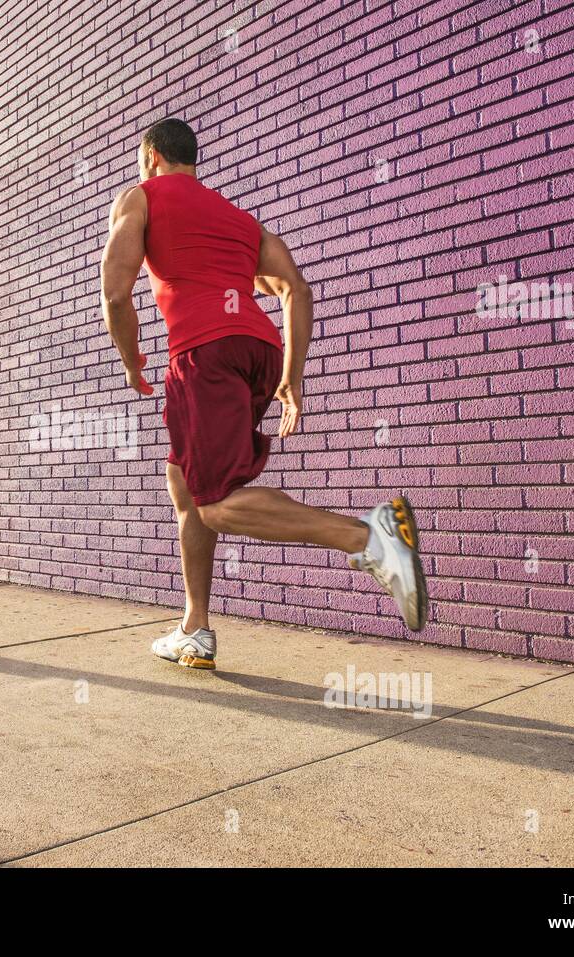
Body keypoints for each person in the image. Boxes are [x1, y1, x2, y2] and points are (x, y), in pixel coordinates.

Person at [100, 118, 427, 670]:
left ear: (151, 155)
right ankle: (194, 628)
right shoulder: (237, 218)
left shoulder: (140, 197)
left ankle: (368, 537)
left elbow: (115, 287)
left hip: (204, 353)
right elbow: (296, 288)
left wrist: (132, 361)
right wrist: (291, 377)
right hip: (258, 349)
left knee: (218, 505)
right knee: (184, 481)